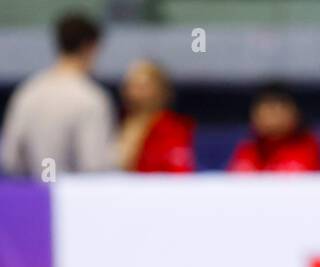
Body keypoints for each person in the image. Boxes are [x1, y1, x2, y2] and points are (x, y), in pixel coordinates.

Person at [0, 11, 114, 178]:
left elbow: (10, 158)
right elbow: (94, 165)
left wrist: (45, 177)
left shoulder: (28, 92)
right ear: (90, 47)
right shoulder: (90, 98)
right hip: (70, 198)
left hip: (34, 195)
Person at [117, 60, 195, 173]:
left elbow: (179, 171)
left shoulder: (174, 129)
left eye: (142, 87)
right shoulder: (118, 122)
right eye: (131, 86)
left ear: (160, 89)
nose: (135, 93)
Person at [227, 83, 320, 173]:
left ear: (295, 113)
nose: (273, 118)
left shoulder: (309, 147)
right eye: (267, 110)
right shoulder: (247, 149)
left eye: (279, 109)